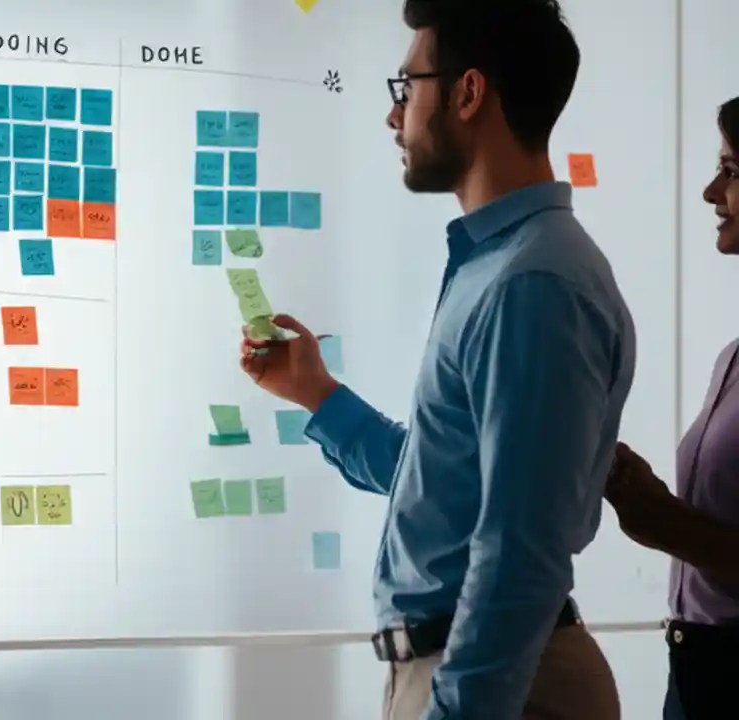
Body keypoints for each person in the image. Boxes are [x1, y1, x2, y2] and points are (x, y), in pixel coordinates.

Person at [240, 2, 633, 718]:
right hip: (474, 672)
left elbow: (520, 551)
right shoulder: (497, 267)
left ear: (468, 92)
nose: (395, 118)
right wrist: (318, 396)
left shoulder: (533, 283)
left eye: (405, 88)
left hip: (501, 684)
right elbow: (447, 487)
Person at [603, 97, 739, 720]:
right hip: (695, 666)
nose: (713, 191)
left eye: (733, 171)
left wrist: (667, 523)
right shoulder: (731, 355)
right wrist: (656, 506)